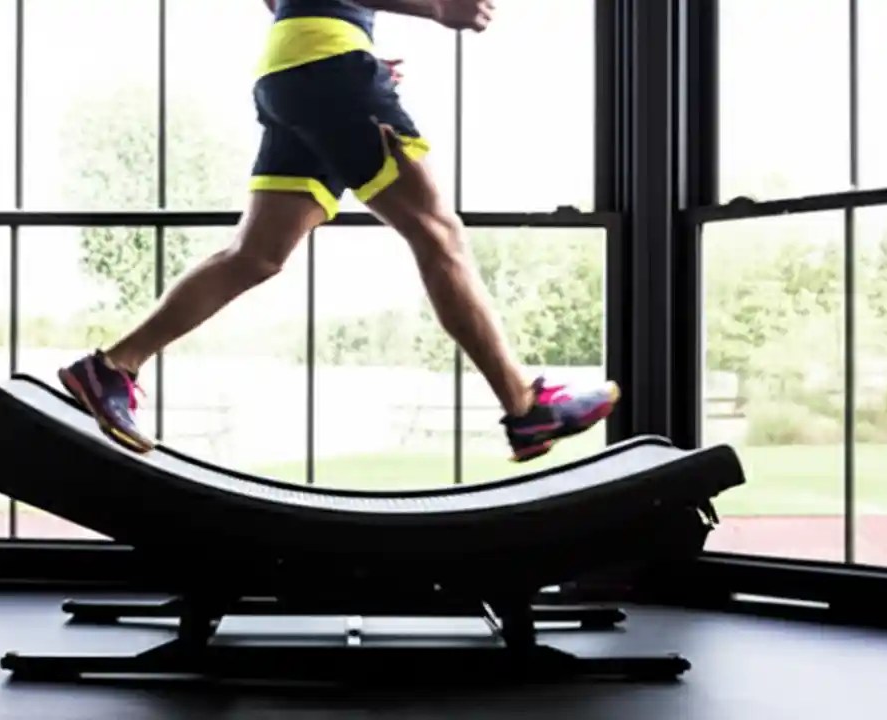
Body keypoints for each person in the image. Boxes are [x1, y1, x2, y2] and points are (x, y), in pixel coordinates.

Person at [58, 0, 620, 463]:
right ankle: (526, 409)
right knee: (438, 234)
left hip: (293, 69)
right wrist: (436, 8)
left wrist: (347, 41)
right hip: (325, 67)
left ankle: (110, 367)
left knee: (255, 254)